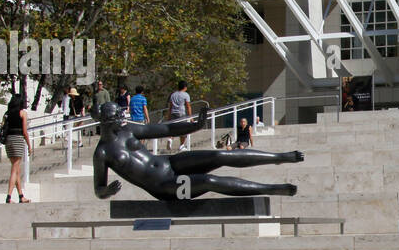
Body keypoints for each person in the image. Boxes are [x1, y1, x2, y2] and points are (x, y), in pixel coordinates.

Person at [92, 102, 302, 200]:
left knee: (219, 155)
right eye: (118, 118)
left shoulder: (128, 130)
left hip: (169, 163)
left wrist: (195, 126)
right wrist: (107, 191)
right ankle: (271, 188)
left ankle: (279, 157)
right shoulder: (102, 153)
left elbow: (166, 128)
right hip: (162, 185)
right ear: (106, 122)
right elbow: (98, 190)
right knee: (209, 181)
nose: (122, 120)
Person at [2, 94, 32, 203]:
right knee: (15, 169)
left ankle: (21, 196)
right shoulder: (23, 113)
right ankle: (9, 196)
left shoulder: (7, 114)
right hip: (18, 140)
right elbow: (25, 131)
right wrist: (29, 145)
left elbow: (2, 127)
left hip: (8, 140)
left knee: (17, 170)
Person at [168, 80, 193, 151]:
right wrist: (190, 117)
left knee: (173, 128)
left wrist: (169, 116)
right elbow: (188, 106)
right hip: (181, 113)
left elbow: (170, 106)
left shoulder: (173, 95)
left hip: (173, 113)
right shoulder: (185, 95)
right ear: (185, 87)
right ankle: (181, 145)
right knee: (183, 129)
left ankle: (170, 139)